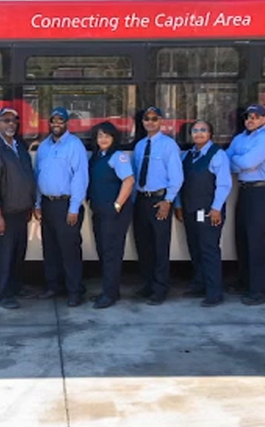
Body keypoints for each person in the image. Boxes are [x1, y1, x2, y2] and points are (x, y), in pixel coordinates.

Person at [0, 107, 36, 309]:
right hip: (3, 213)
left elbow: (27, 175)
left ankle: (15, 287)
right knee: (4, 255)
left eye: (14, 120)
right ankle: (2, 295)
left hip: (20, 211)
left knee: (18, 253)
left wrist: (29, 204)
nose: (11, 123)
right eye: (6, 120)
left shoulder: (18, 146)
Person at [33, 107, 90, 307]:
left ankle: (74, 291)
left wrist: (74, 207)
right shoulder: (44, 147)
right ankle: (53, 286)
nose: (56, 124)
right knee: (50, 249)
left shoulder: (75, 145)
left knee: (69, 251)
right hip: (48, 204)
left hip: (67, 204)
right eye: (53, 120)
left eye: (60, 121)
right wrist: (38, 203)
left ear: (67, 123)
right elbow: (37, 175)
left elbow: (80, 177)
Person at [226, 105, 265, 306]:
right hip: (245, 190)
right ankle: (245, 281)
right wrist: (240, 162)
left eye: (256, 116)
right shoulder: (240, 137)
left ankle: (260, 289)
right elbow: (228, 161)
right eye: (248, 117)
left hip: (263, 191)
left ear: (264, 118)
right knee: (242, 236)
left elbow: (247, 162)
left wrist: (239, 161)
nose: (251, 120)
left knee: (257, 240)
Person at [174, 120, 232, 307]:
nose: (199, 133)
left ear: (210, 134)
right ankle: (200, 284)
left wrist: (216, 208)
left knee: (209, 250)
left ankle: (214, 292)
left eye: (203, 130)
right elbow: (180, 183)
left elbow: (224, 184)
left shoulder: (218, 155)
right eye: (195, 130)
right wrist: (179, 205)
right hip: (191, 210)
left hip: (209, 212)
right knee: (195, 249)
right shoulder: (189, 155)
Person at [131, 106, 184, 305]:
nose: (150, 122)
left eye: (154, 118)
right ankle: (148, 285)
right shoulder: (139, 146)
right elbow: (136, 175)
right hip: (142, 200)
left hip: (159, 200)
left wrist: (168, 201)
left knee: (160, 246)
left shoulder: (169, 146)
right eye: (147, 118)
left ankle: (161, 288)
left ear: (161, 121)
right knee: (143, 246)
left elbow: (177, 177)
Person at [87, 122, 134, 309]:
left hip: (114, 213)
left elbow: (129, 181)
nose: (103, 139)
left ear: (114, 138)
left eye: (107, 135)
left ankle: (110, 295)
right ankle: (110, 290)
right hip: (99, 210)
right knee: (103, 251)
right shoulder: (98, 157)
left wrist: (116, 205)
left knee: (111, 253)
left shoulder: (118, 157)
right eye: (99, 136)